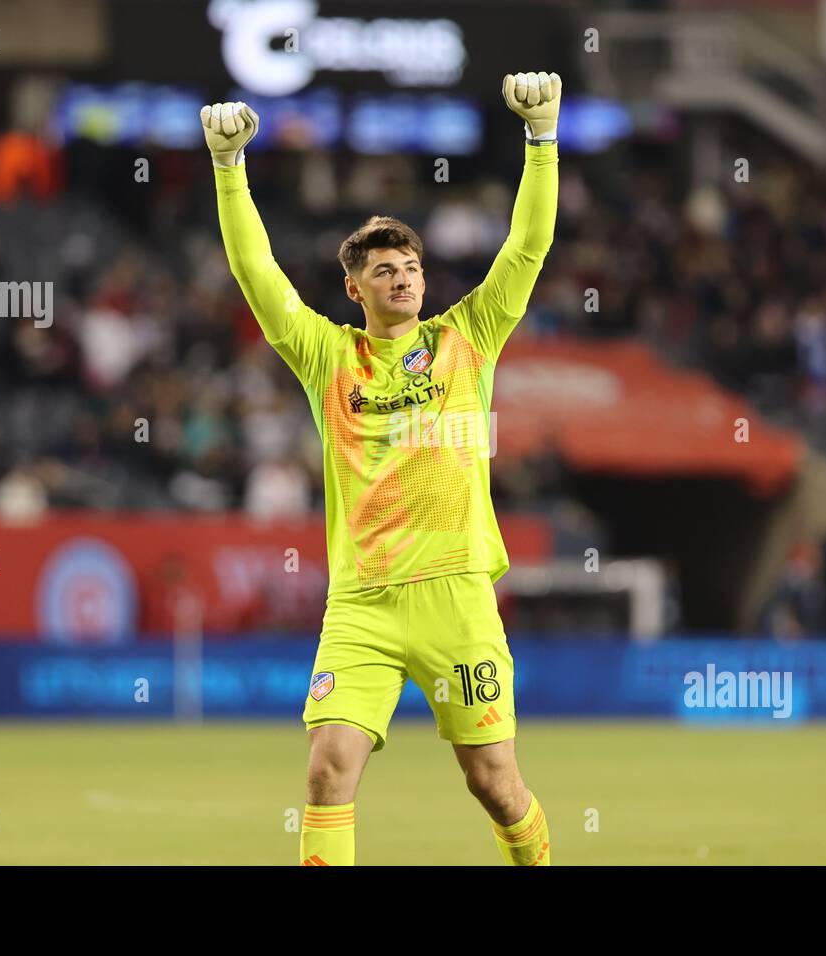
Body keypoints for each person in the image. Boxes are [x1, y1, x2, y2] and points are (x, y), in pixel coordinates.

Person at [202, 71, 561, 865]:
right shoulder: (328, 356)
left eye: (411, 268)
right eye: (385, 272)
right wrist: (230, 170)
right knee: (328, 772)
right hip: (362, 603)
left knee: (494, 782)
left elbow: (528, 245)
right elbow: (259, 277)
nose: (402, 280)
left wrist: (541, 141)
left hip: (457, 594)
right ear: (354, 287)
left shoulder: (470, 338)